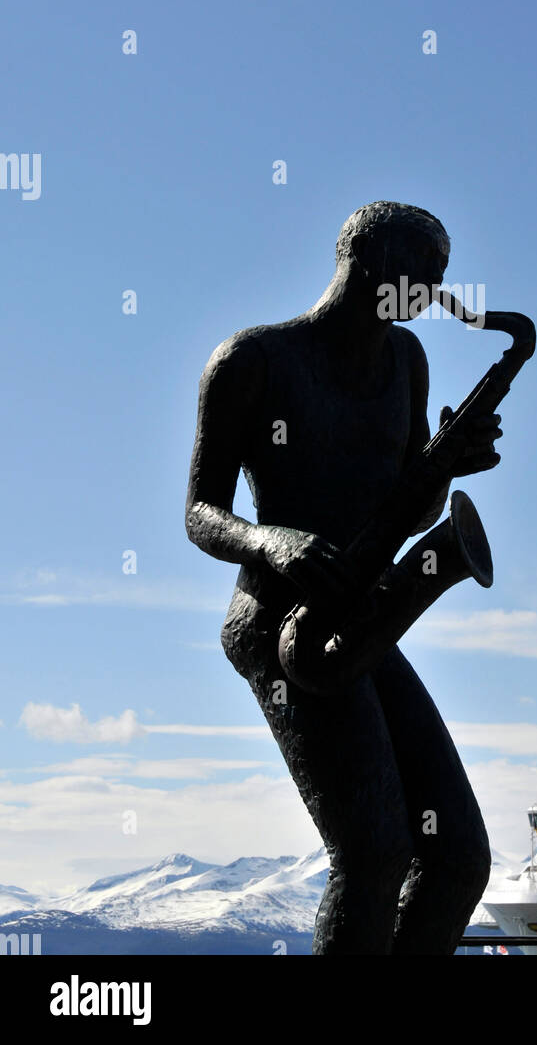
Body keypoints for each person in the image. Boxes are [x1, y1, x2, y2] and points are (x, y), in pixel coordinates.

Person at [185, 201, 503, 954]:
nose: (435, 289)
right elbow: (200, 512)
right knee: (370, 856)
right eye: (422, 268)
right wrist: (271, 541)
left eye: (442, 274)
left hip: (356, 622)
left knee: (459, 858)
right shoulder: (252, 359)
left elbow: (411, 499)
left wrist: (446, 466)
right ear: (365, 257)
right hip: (278, 624)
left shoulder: (406, 364)